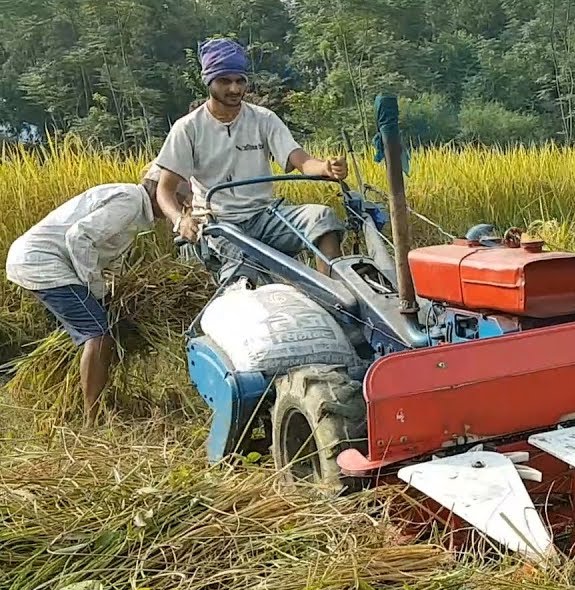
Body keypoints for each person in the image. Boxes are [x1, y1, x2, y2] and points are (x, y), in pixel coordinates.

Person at [152, 37, 350, 286]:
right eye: (225, 81)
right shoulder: (188, 128)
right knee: (244, 272)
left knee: (323, 219)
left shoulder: (263, 119)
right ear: (209, 82)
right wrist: (181, 220)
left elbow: (300, 160)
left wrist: (326, 168)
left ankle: (332, 299)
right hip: (220, 224)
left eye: (240, 81)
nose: (234, 89)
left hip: (265, 216)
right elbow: (165, 190)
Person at [4, 164, 183, 423]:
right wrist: (97, 291)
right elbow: (79, 238)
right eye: (176, 200)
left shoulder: (134, 209)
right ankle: (92, 419)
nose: (174, 210)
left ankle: (73, 401)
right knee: (98, 334)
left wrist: (113, 290)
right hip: (44, 263)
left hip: (41, 261)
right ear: (161, 191)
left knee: (90, 328)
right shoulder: (130, 201)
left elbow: (108, 256)